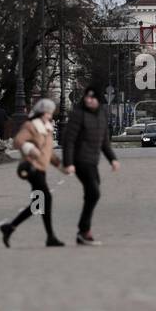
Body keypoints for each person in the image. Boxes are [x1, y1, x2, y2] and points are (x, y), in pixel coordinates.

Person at [0, 98, 64, 248]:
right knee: (46, 198)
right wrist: (30, 149)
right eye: (48, 113)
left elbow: (49, 154)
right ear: (42, 112)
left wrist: (61, 166)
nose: (50, 115)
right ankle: (50, 237)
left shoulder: (46, 129)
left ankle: (10, 227)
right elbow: (18, 141)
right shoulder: (31, 126)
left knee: (37, 205)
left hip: (40, 169)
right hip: (31, 169)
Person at [62, 85, 120, 245]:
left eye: (92, 97)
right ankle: (84, 229)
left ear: (99, 101)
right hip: (80, 161)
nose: (88, 99)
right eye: (87, 96)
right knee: (94, 193)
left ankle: (82, 232)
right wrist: (68, 163)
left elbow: (104, 142)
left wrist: (112, 159)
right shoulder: (78, 114)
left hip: (92, 161)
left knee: (92, 194)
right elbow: (69, 140)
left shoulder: (101, 115)